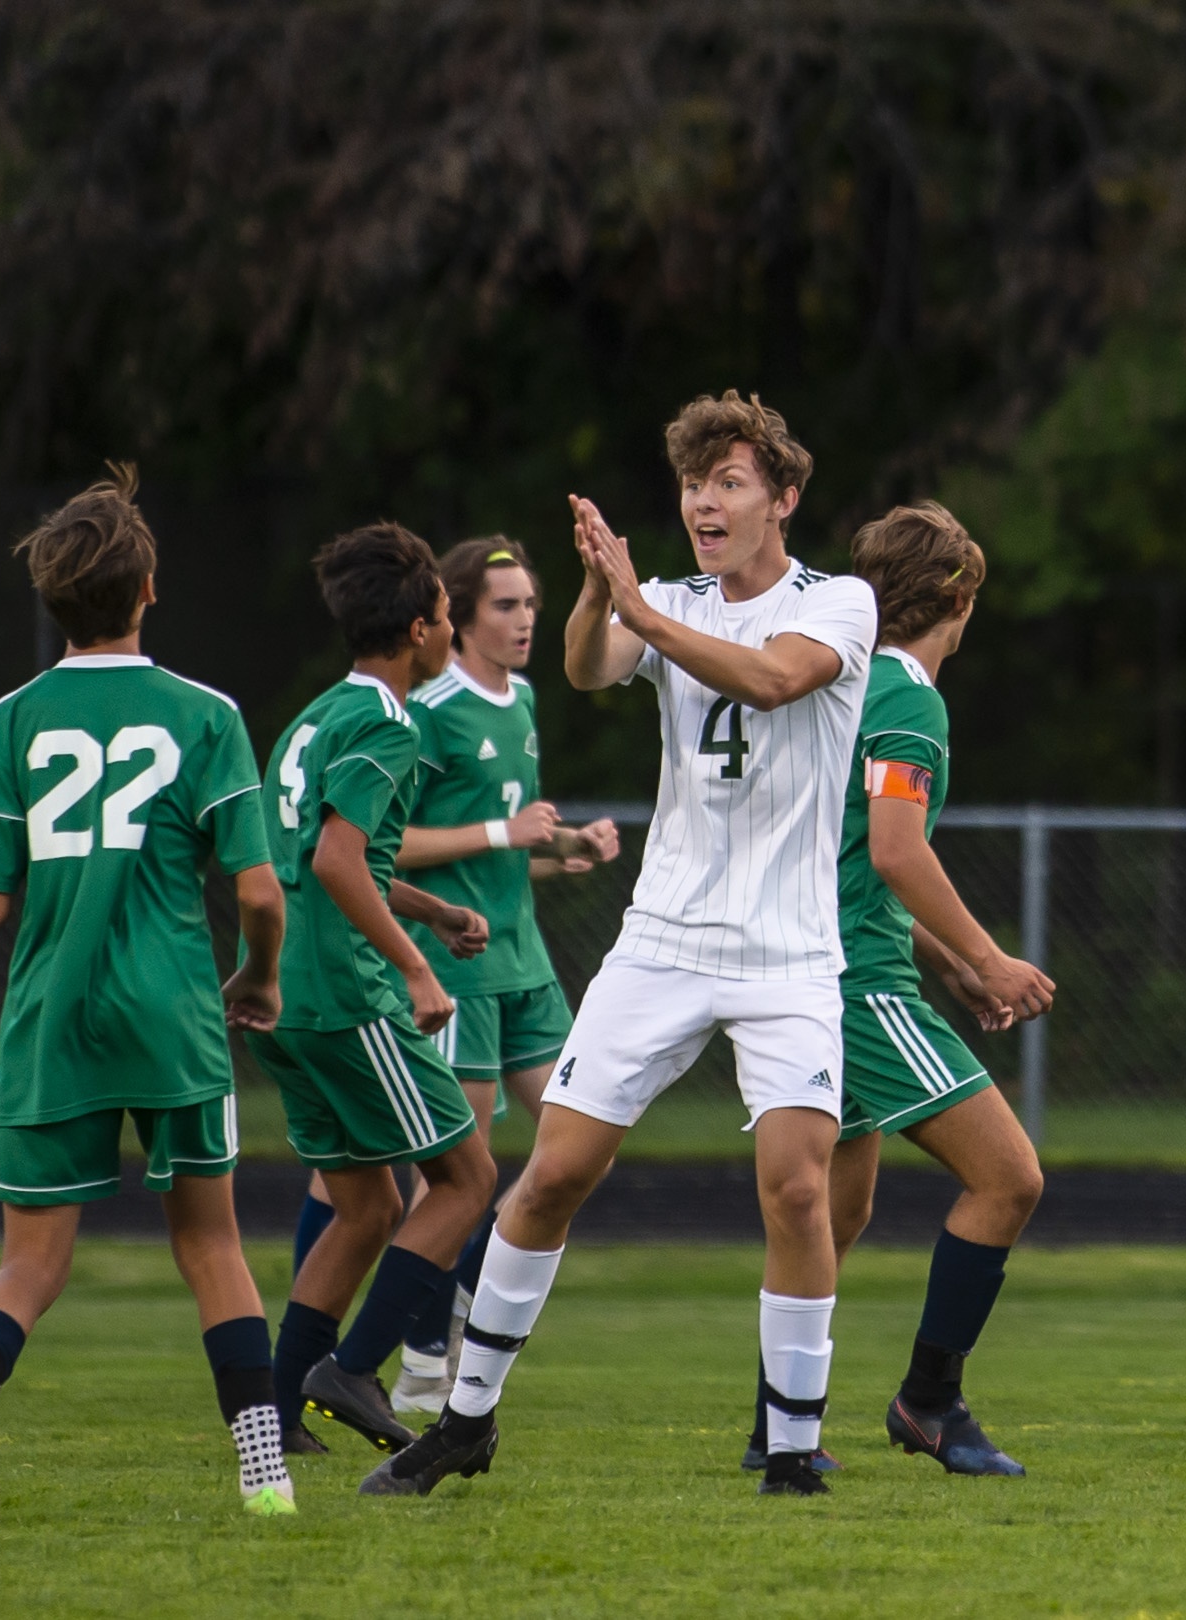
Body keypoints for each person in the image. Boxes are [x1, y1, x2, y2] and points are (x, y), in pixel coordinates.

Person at [364, 391, 880, 1500]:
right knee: (551, 1174)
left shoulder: (838, 602)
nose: (706, 499)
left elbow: (773, 679)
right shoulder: (666, 600)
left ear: (782, 500)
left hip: (789, 956)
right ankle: (465, 1421)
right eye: (695, 482)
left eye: (730, 481)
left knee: (796, 1191)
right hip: (663, 943)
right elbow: (592, 667)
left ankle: (791, 1450)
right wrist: (604, 592)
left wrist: (638, 610)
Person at [0, 468, 295, 1519]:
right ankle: (265, 1474)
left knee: (30, 1263)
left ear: (54, 604)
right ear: (148, 591)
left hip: (51, 1019)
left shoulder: (6, 722)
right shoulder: (205, 714)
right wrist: (257, 976)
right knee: (212, 1247)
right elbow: (261, 891)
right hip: (173, 1013)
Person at [737, 502, 1053, 1478]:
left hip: (794, 966)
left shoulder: (832, 686)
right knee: (1008, 1180)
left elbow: (844, 863)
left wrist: (951, 965)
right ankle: (929, 1401)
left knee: (834, 1211)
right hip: (854, 985)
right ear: (958, 600)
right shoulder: (907, 697)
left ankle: (775, 1427)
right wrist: (991, 955)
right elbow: (894, 849)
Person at [276, 538, 622, 1416]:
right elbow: (353, 854)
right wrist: (420, 951)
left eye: (530, 603)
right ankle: (420, 1353)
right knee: (445, 1182)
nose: (524, 619)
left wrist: (558, 848)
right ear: (444, 620)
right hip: (397, 980)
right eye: (502, 604)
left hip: (495, 960)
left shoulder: (342, 711)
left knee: (556, 1148)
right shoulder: (408, 715)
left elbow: (346, 853)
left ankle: (313, 1391)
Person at [247, 524, 499, 1458]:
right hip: (347, 999)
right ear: (423, 630)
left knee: (367, 1207)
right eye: (445, 613)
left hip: (285, 1003)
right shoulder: (388, 723)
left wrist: (429, 910)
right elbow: (337, 860)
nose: (448, 628)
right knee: (468, 1178)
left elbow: (328, 859)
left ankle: (276, 1412)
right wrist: (417, 967)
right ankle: (351, 1370)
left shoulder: (314, 717)